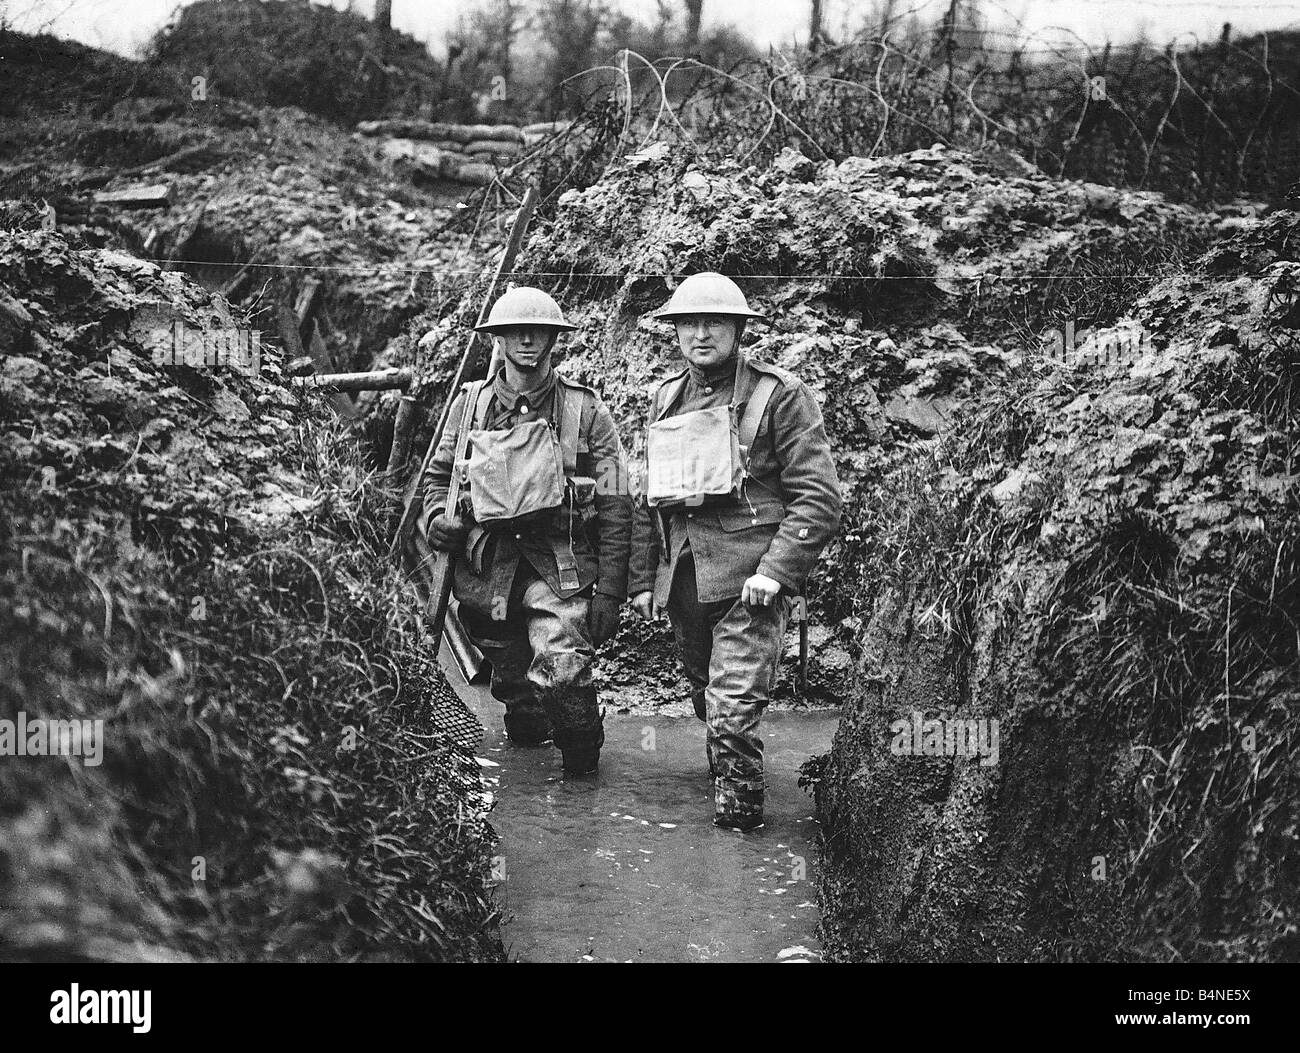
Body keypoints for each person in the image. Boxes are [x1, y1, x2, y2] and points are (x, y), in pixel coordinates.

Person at [629, 272, 842, 829]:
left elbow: (817, 499)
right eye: (689, 323)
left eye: (715, 322)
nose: (701, 334)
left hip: (749, 586)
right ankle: (726, 766)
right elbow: (654, 501)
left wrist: (776, 571)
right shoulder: (665, 397)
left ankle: (740, 824)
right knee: (707, 697)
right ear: (675, 331)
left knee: (730, 712)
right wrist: (649, 581)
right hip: (686, 584)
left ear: (738, 329)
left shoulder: (781, 395)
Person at [422, 286, 631, 775]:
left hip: (557, 570)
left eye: (539, 332)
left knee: (562, 672)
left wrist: (613, 593)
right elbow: (438, 479)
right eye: (516, 332)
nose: (528, 342)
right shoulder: (468, 407)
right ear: (497, 338)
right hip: (488, 572)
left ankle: (582, 766)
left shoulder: (585, 411)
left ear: (555, 339)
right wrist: (438, 520)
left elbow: (618, 500)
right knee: (518, 696)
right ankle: (529, 733)